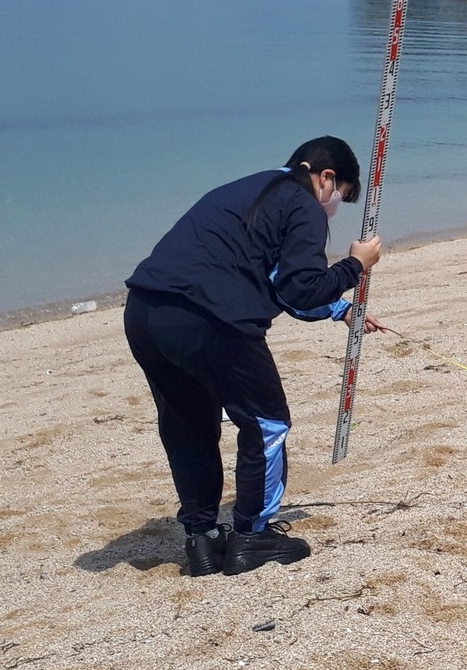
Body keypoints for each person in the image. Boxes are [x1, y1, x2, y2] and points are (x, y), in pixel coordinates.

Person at [124, 137, 383, 577]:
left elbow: (278, 283)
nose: (336, 204)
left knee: (187, 424)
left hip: (146, 312)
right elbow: (300, 287)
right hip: (211, 318)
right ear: (326, 178)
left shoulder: (249, 189)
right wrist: (356, 266)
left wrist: (339, 308)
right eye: (342, 193)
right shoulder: (304, 206)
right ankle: (251, 535)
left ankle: (202, 540)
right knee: (266, 423)